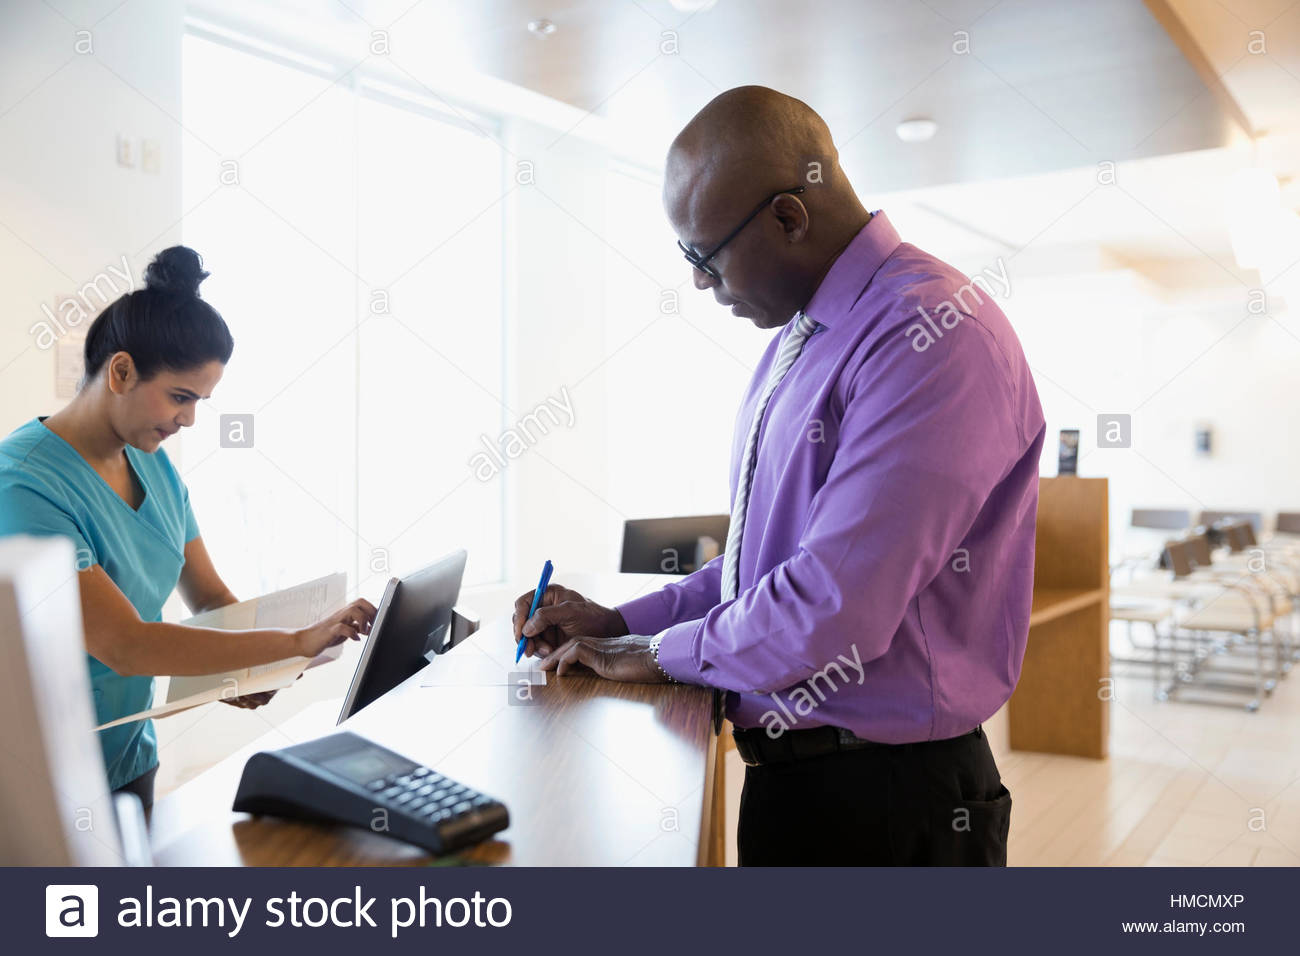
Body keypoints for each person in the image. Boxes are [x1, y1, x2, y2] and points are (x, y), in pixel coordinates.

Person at [511, 87, 1045, 865]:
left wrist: (658, 654)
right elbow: (764, 568)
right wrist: (623, 624)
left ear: (789, 217)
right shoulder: (805, 335)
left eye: (704, 256)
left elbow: (831, 610)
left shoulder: (930, 336)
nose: (697, 282)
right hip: (797, 788)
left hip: (891, 805)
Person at [0, 246, 376, 811]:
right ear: (121, 371)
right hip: (43, 781)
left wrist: (254, 668)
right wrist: (294, 641)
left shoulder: (150, 459)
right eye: (180, 397)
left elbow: (211, 597)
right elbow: (125, 644)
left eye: (200, 401)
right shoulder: (23, 484)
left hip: (127, 755)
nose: (189, 419)